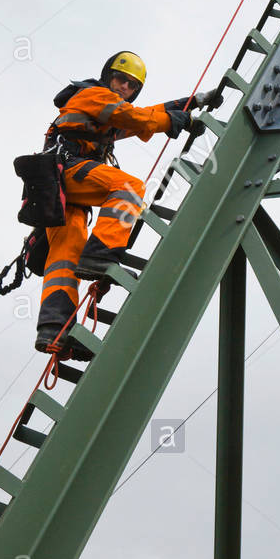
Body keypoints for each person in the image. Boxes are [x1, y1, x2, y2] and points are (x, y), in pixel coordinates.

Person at [35, 50, 201, 359]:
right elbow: (135, 117)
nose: (125, 87)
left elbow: (137, 119)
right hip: (67, 169)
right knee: (128, 187)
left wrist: (188, 103)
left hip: (56, 187)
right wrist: (174, 120)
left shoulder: (101, 114)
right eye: (121, 79)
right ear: (106, 76)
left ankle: (54, 328)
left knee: (64, 255)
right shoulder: (95, 95)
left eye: (132, 85)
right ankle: (99, 255)